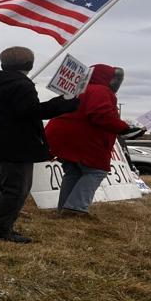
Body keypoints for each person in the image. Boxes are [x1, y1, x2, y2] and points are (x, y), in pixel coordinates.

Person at [0, 46, 80, 243]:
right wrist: (66, 103)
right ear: (29, 65)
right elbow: (30, 112)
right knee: (16, 189)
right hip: (14, 146)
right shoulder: (21, 85)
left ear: (3, 64)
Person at [45, 64, 134, 216]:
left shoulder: (76, 89)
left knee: (73, 171)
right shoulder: (100, 90)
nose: (116, 83)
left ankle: (64, 209)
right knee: (96, 170)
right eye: (115, 79)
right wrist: (125, 128)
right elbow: (101, 115)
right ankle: (75, 209)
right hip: (83, 138)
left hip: (61, 137)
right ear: (105, 78)